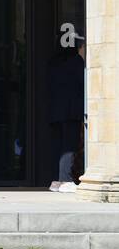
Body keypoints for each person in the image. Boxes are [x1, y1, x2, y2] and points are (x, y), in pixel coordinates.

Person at [47, 42, 85, 192]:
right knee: (69, 146)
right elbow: (82, 83)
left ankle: (56, 181)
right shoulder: (77, 62)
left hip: (55, 111)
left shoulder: (54, 62)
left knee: (59, 147)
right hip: (71, 111)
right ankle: (66, 180)